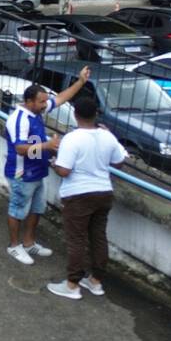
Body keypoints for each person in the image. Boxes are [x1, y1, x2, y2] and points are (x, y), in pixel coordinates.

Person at [4, 66, 89, 264]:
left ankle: (29, 242)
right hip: (21, 174)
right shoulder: (19, 119)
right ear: (29, 101)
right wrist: (47, 146)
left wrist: (80, 81)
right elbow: (20, 149)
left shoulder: (36, 111)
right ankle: (14, 246)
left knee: (37, 208)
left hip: (37, 172)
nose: (45, 105)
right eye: (41, 102)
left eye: (45, 101)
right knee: (17, 209)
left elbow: (60, 99)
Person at [47, 97, 128, 300]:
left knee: (77, 239)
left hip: (78, 195)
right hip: (103, 192)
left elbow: (64, 171)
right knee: (98, 236)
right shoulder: (108, 137)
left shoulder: (72, 139)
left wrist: (54, 163)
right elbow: (119, 162)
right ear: (96, 115)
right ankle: (95, 281)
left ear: (75, 115)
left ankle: (72, 284)